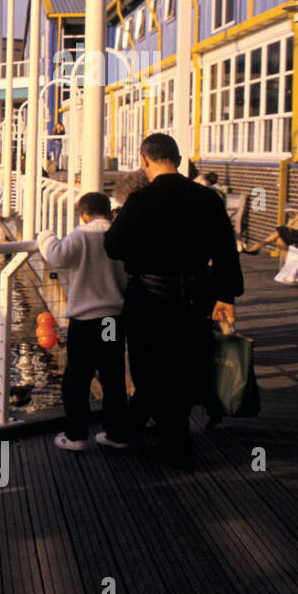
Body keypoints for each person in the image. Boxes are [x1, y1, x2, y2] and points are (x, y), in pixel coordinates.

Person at [104, 133, 244, 470]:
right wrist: (227, 295)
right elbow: (226, 251)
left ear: (144, 160)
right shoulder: (207, 199)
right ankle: (169, 435)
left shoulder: (141, 200)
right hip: (195, 296)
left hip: (150, 298)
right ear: (178, 160)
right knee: (184, 363)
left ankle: (172, 444)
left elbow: (114, 247)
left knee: (148, 367)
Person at [38, 192, 129, 452]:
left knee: (77, 377)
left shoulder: (83, 234)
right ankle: (117, 433)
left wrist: (46, 235)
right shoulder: (118, 233)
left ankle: (76, 435)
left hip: (86, 320)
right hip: (112, 319)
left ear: (83, 214)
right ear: (109, 211)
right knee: (112, 375)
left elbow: (56, 256)